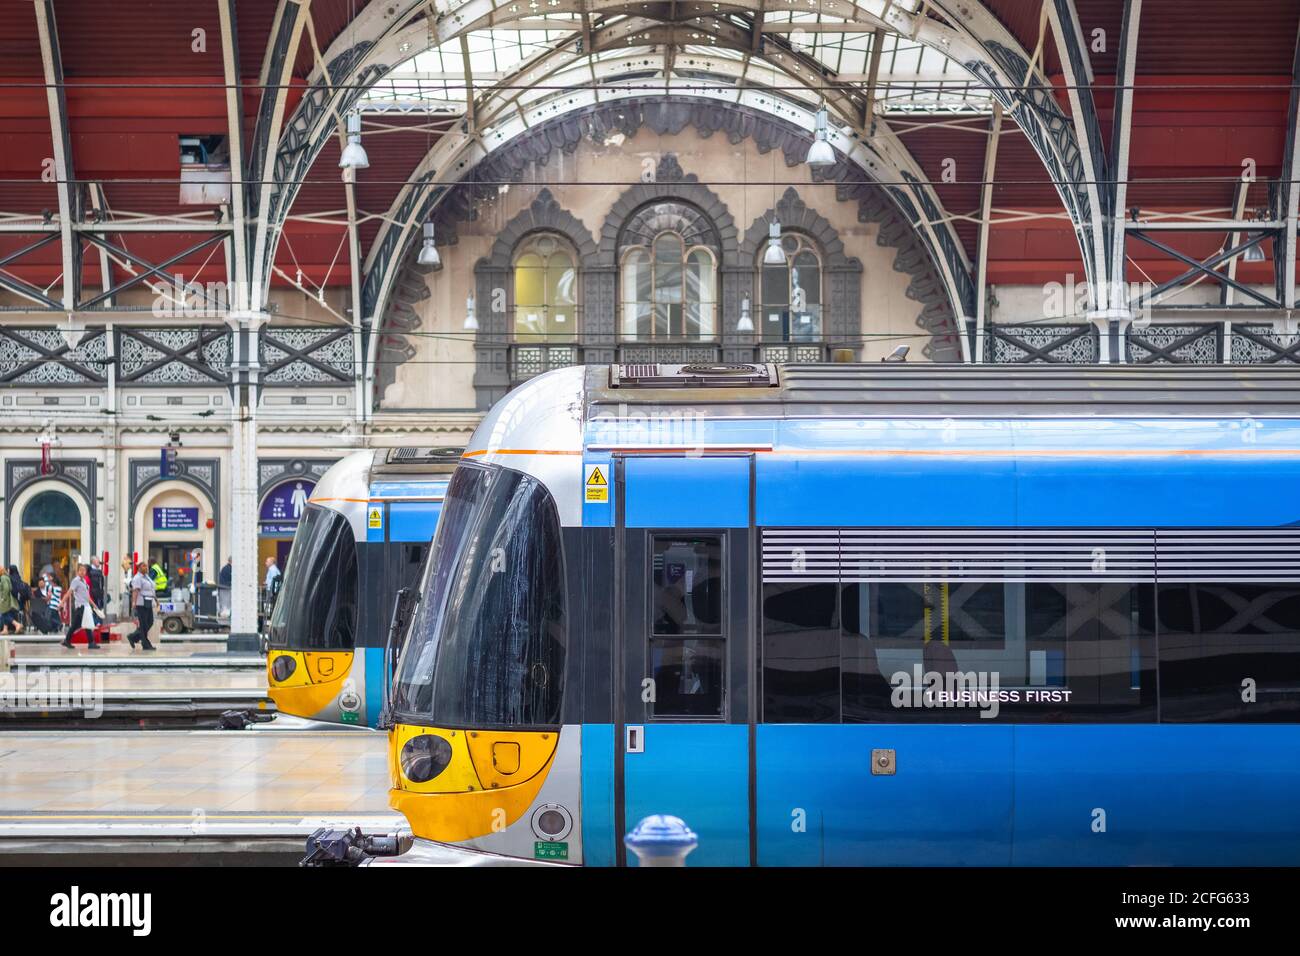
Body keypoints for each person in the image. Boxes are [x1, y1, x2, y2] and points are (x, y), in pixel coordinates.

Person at [60, 561, 101, 649]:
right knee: (87, 624)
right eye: (80, 570)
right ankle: (91, 643)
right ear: (77, 571)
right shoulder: (76, 581)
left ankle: (67, 640)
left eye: (84, 570)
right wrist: (62, 602)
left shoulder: (84, 581)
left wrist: (94, 605)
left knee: (76, 625)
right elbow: (69, 592)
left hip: (85, 606)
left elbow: (87, 596)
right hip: (81, 606)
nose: (82, 572)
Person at [127, 561, 157, 651]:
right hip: (141, 603)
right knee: (143, 624)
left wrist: (156, 600)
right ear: (139, 568)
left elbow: (152, 589)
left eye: (146, 566)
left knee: (150, 622)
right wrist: (133, 603)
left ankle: (133, 637)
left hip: (149, 602)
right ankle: (146, 644)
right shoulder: (137, 578)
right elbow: (135, 591)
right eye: (144, 566)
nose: (146, 568)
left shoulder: (147, 577)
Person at [0, 569, 23, 635]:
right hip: (8, 599)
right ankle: (5, 629)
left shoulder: (3, 578)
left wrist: (3, 598)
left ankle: (17, 624)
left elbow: (7, 588)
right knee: (6, 614)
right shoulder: (6, 577)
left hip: (5, 600)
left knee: (4, 614)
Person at [8, 565, 30, 629]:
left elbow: (12, 590)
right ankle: (23, 625)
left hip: (14, 600)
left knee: (8, 612)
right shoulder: (19, 578)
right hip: (21, 600)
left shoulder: (10, 578)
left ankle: (14, 626)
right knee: (21, 611)